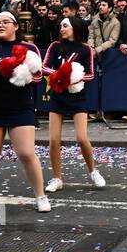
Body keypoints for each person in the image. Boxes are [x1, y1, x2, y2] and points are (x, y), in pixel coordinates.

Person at [0, 11, 50, 211]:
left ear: (16, 26)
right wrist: (1, 65)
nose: (1, 25)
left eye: (6, 22)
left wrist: (23, 75)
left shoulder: (28, 48)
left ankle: (40, 195)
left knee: (26, 153)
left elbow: (39, 77)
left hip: (20, 107)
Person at [42, 17, 105, 192]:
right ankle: (56, 178)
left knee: (82, 138)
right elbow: (44, 67)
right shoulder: (55, 46)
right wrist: (59, 75)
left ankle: (93, 171)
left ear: (75, 28)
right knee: (54, 139)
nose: (61, 29)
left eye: (65, 26)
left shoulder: (85, 49)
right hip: (57, 97)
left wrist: (73, 78)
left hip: (77, 97)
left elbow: (90, 74)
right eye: (60, 26)